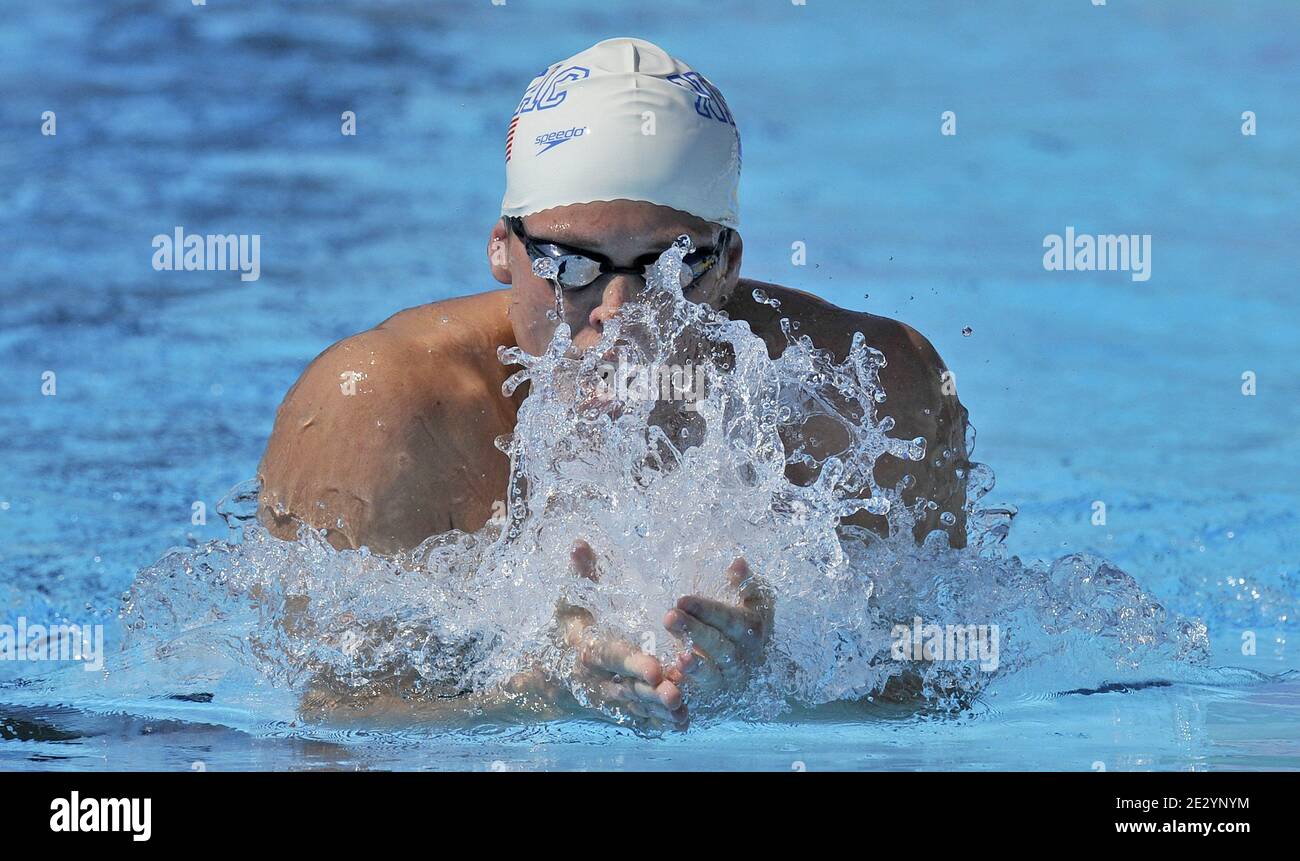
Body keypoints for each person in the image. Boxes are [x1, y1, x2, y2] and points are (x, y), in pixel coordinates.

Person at [259, 38, 969, 731]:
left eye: (673, 267)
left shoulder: (867, 399)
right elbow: (329, 718)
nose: (622, 314)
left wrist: (783, 674)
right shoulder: (379, 411)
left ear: (728, 265)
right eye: (570, 265)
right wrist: (536, 689)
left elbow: (936, 691)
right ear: (502, 247)